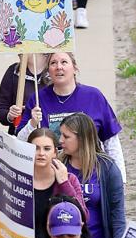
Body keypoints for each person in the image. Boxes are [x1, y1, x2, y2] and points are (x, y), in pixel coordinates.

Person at [15, 50, 126, 178]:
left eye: (64, 62)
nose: (59, 67)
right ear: (48, 71)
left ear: (74, 68)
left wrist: (120, 179)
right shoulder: (38, 99)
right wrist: (32, 124)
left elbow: (111, 142)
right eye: (53, 63)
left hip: (91, 176)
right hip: (51, 178)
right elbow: (20, 143)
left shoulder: (94, 96)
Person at [59, 112, 126, 238]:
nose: (60, 140)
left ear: (82, 139)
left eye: (66, 136)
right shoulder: (59, 166)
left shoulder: (107, 168)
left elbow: (117, 213)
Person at [31, 126, 87, 238]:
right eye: (36, 148)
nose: (41, 153)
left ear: (55, 152)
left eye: (47, 149)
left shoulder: (69, 179)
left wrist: (64, 183)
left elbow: (83, 216)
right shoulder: (20, 178)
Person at [0, 53, 47, 128]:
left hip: (48, 135)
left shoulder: (55, 71)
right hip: (19, 134)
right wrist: (10, 115)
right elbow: (1, 110)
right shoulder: (13, 71)